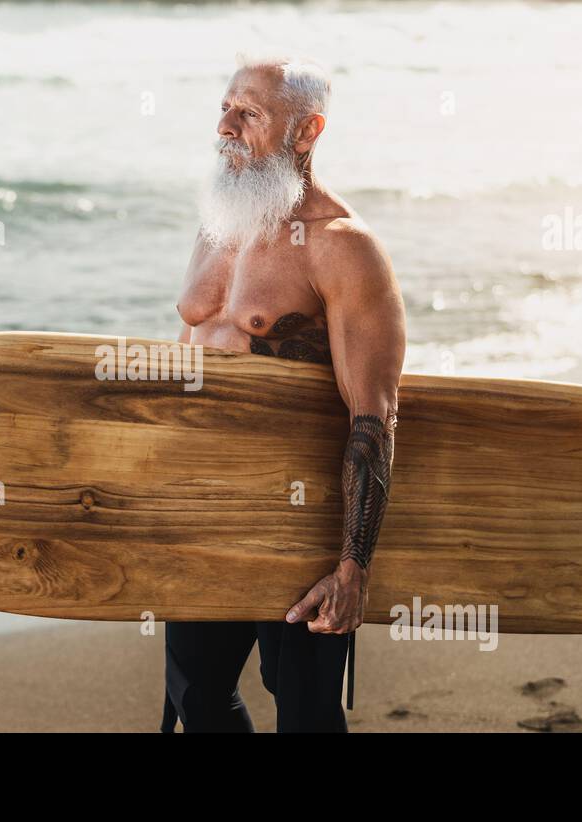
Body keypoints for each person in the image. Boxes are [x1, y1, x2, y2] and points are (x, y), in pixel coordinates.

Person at [163, 52, 406, 733]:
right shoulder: (220, 221)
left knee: (303, 712)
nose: (227, 127)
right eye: (224, 108)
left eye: (250, 114)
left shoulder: (342, 249)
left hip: (296, 524)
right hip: (202, 510)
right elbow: (189, 358)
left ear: (306, 132)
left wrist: (354, 566)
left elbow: (374, 417)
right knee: (198, 697)